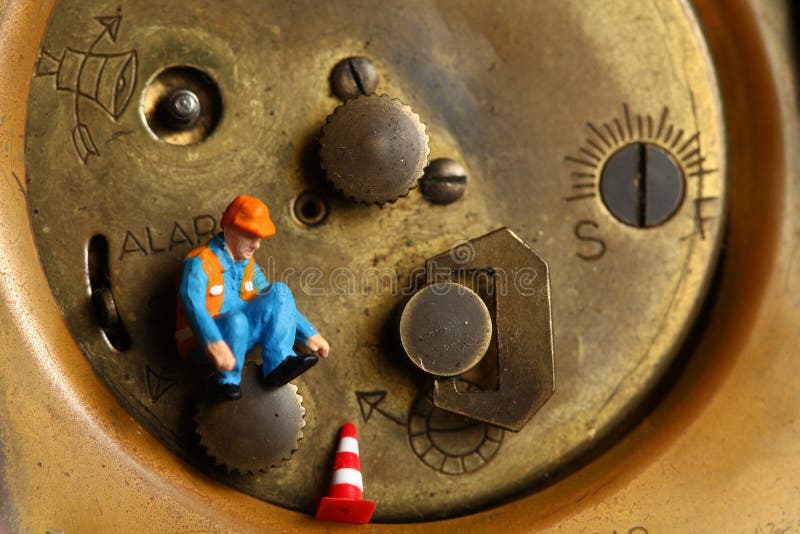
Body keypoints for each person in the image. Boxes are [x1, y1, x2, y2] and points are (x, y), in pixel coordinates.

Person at [175, 195, 330, 399]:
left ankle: (278, 364)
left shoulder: (248, 264)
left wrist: (310, 334)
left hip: (241, 335)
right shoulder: (199, 262)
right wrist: (214, 344)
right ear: (230, 229)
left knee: (278, 291)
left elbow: (276, 303)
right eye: (250, 236)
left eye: (259, 238)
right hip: (202, 342)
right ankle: (227, 382)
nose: (256, 245)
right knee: (235, 321)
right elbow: (192, 305)